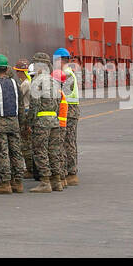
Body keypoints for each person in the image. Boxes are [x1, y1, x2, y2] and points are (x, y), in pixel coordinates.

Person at [28, 52, 66, 193]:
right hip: (54, 121)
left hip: (41, 122)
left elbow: (34, 105)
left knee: (41, 151)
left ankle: (45, 182)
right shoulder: (54, 81)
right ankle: (57, 181)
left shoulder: (37, 81)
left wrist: (30, 122)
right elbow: (58, 102)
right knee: (53, 151)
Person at [0, 55, 26, 194]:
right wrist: (21, 124)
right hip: (14, 123)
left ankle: (5, 183)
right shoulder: (15, 84)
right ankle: (18, 182)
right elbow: (21, 106)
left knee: (2, 152)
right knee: (16, 152)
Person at [56, 47, 80, 186]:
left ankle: (71, 173)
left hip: (69, 112)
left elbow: (62, 93)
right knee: (68, 141)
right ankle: (69, 171)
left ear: (60, 60)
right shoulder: (68, 72)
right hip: (70, 110)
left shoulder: (66, 74)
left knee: (68, 142)